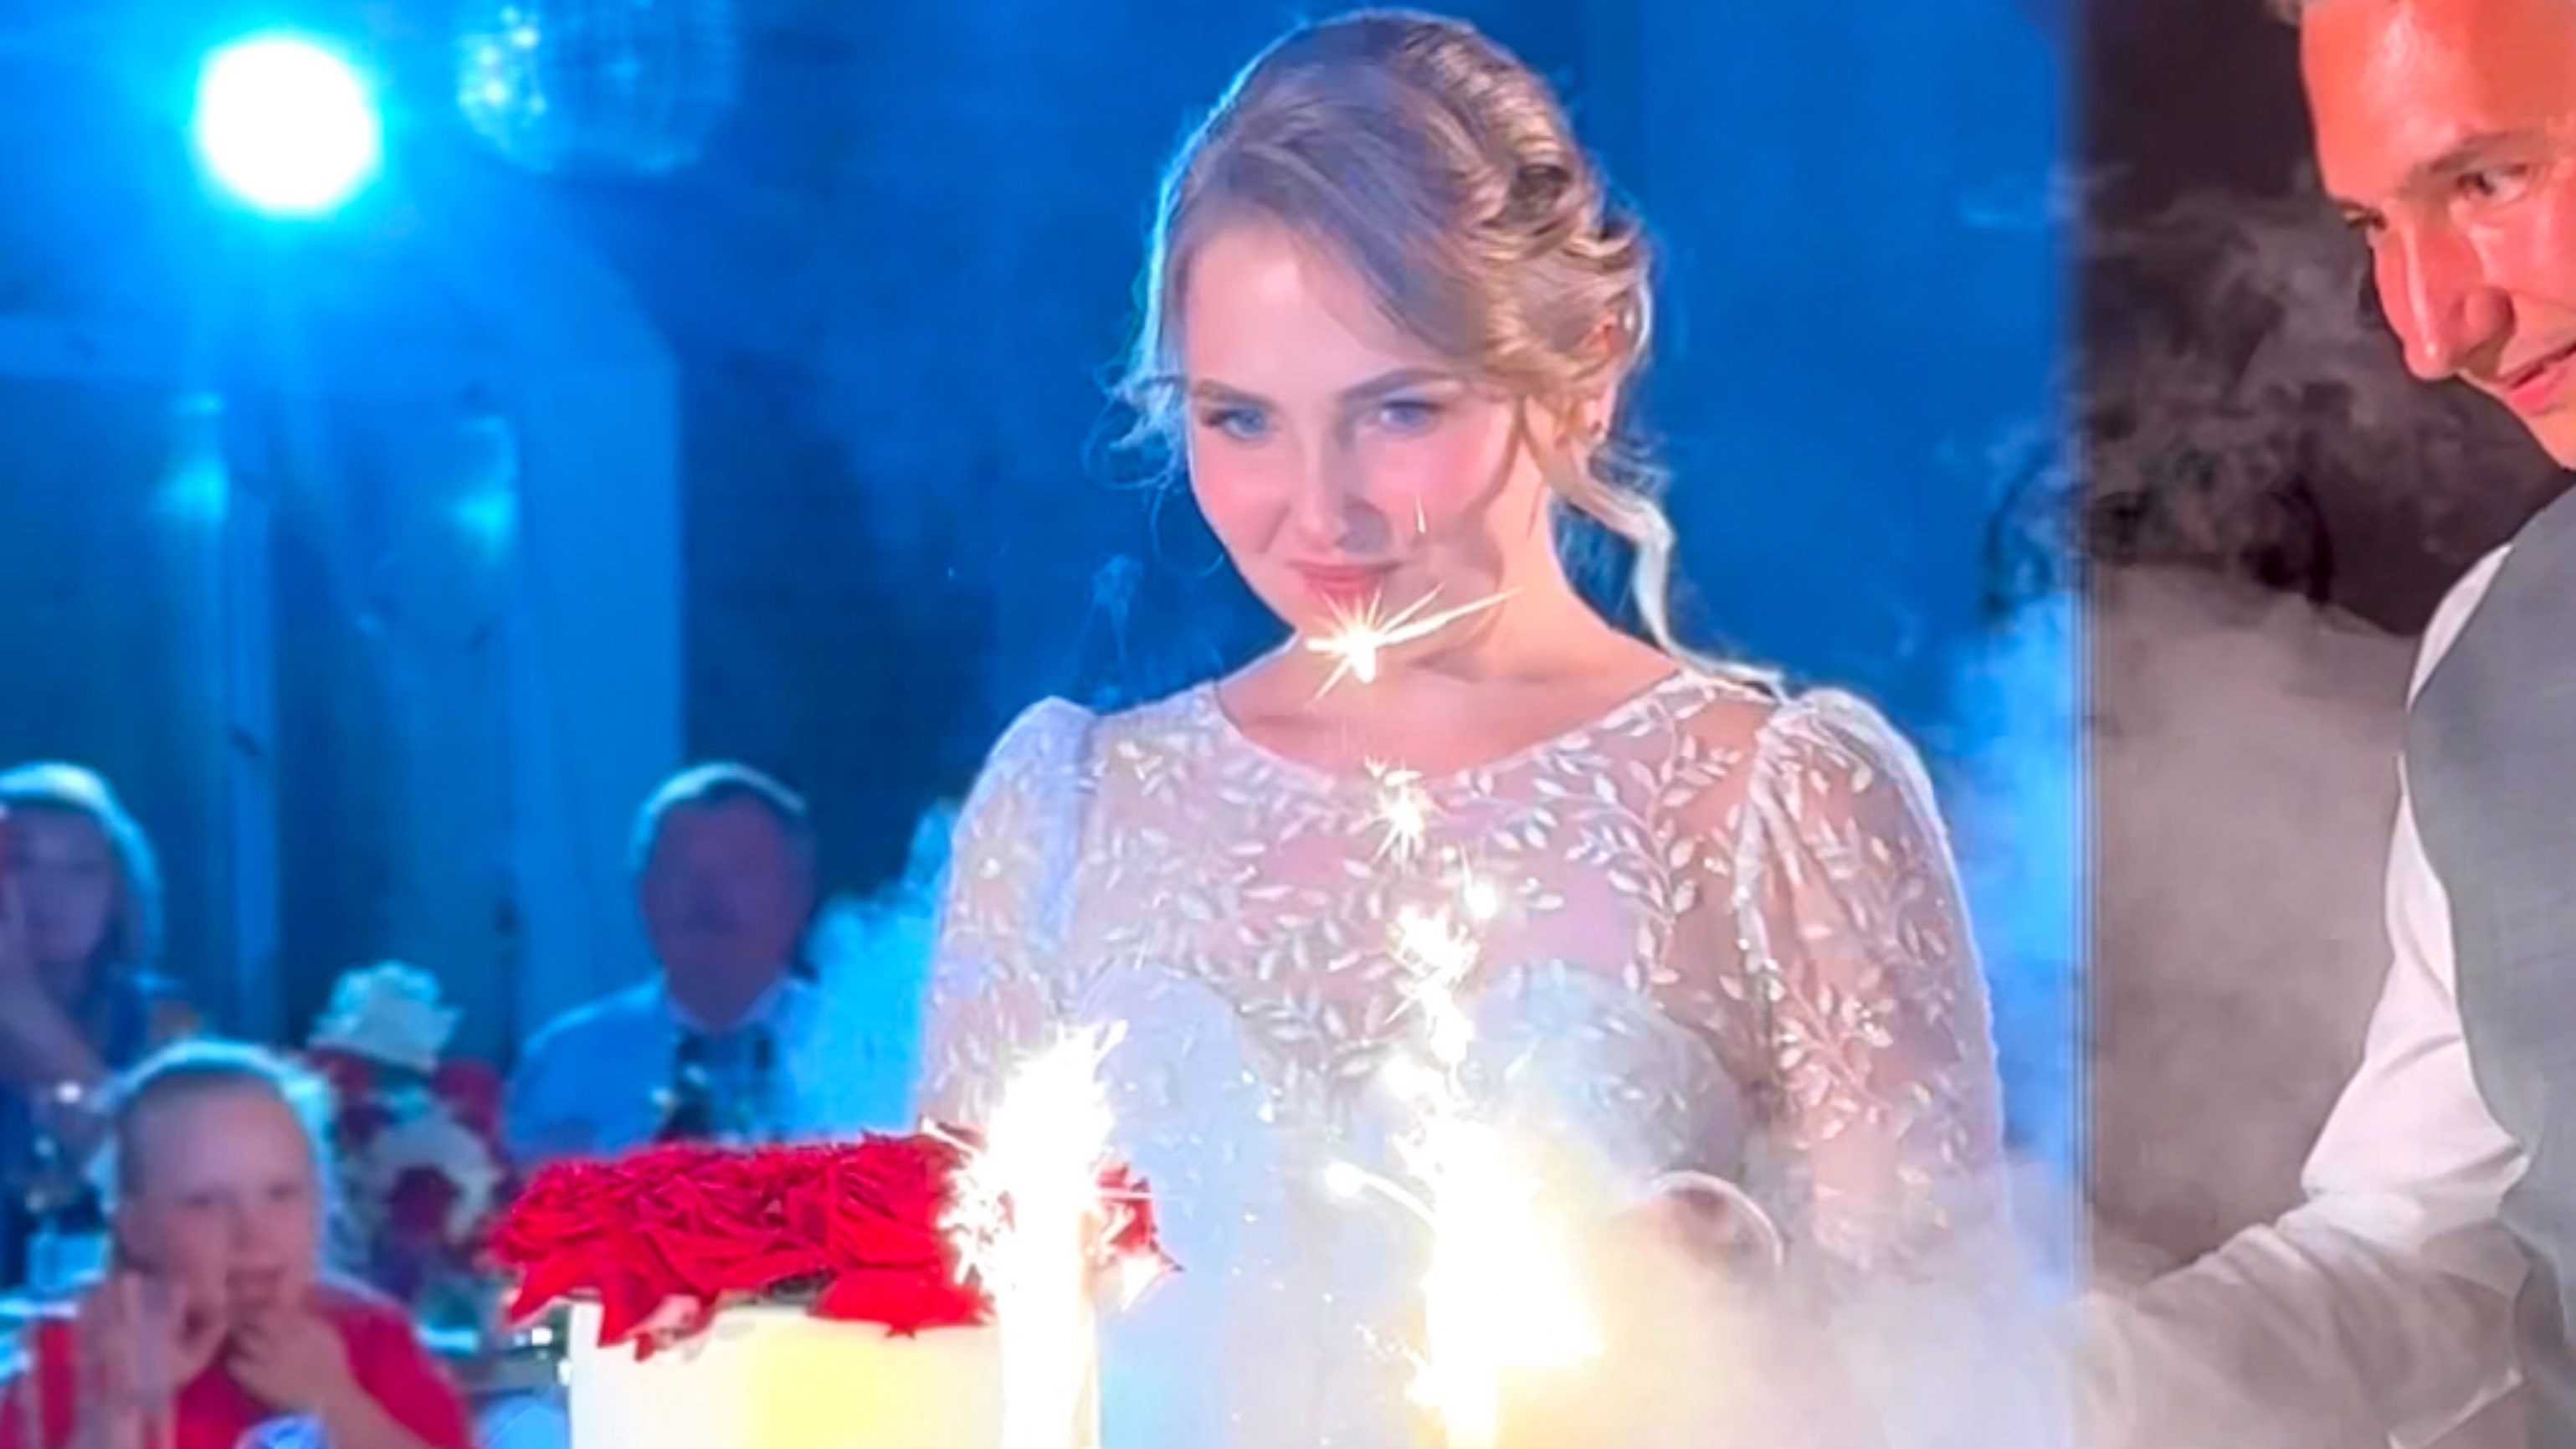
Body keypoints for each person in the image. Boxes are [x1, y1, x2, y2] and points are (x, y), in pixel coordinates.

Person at [920, 13, 2009, 1449]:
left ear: (1583, 366)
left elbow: (1956, 1394)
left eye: (1397, 411)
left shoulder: (1774, 801)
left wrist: (1739, 1319)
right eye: (1240, 420)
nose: (1317, 510)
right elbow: (941, 1374)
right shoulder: (1063, 809)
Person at [2075, 0, 2576, 1444]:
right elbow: (2427, 1246)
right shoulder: (2493, 655)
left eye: (2489, 179)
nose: (2431, 330)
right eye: (2371, 226)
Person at [0, 1040, 475, 1449]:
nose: (253, 1233)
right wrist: (121, 1411)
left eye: (281, 1194)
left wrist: (336, 1403)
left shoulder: (373, 1339)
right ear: (135, 1227)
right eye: (205, 1203)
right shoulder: (68, 1359)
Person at [503, 763, 830, 1163]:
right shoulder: (564, 1063)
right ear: (643, 895)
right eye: (680, 870)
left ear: (799, 894)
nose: (708, 895)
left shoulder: (864, 1055)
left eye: (740, 870)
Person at [0, 766, 194, 1289]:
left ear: (119, 893)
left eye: (82, 870)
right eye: (20, 864)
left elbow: (181, 1188)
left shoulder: (161, 1022)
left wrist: (22, 1006)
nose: (48, 892)